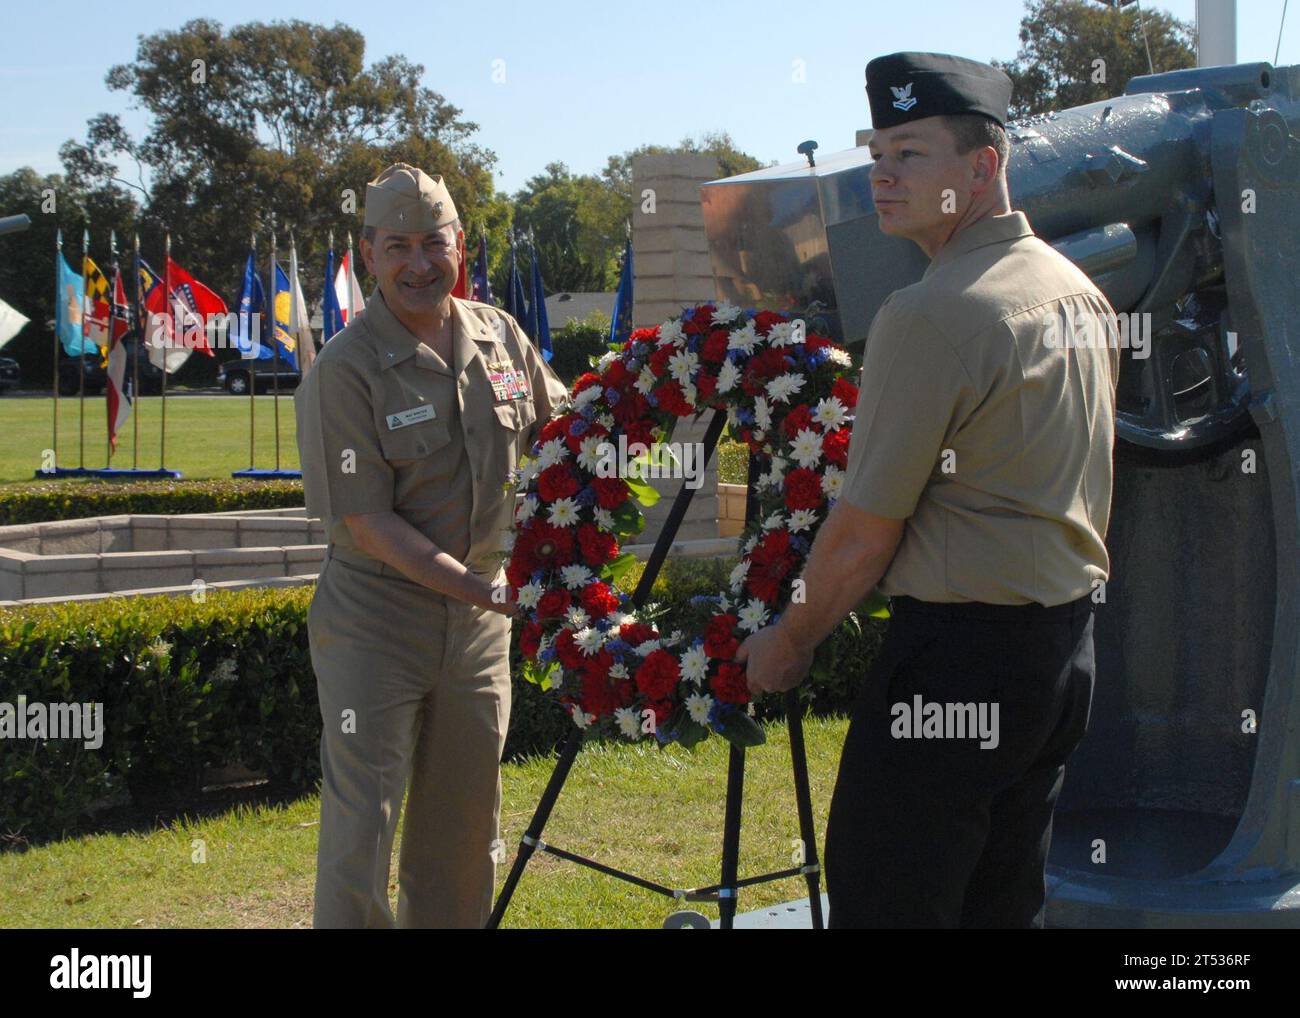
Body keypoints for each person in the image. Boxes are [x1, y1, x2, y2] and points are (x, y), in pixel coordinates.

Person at [737, 52, 1120, 928]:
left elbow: (865, 532)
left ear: (982, 167)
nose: (880, 172)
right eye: (877, 150)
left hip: (958, 662)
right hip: (1061, 654)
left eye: (910, 153)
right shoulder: (1079, 295)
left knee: (890, 902)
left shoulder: (931, 311)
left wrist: (788, 641)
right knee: (1001, 905)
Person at [295, 162, 568, 928]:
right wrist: (485, 589)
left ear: (461, 246)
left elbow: (567, 435)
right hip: (377, 621)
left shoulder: (500, 334)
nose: (418, 264)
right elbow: (366, 524)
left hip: (479, 624)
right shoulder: (343, 371)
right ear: (368, 255)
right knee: (363, 823)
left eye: (433, 244)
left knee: (464, 821)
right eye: (398, 246)